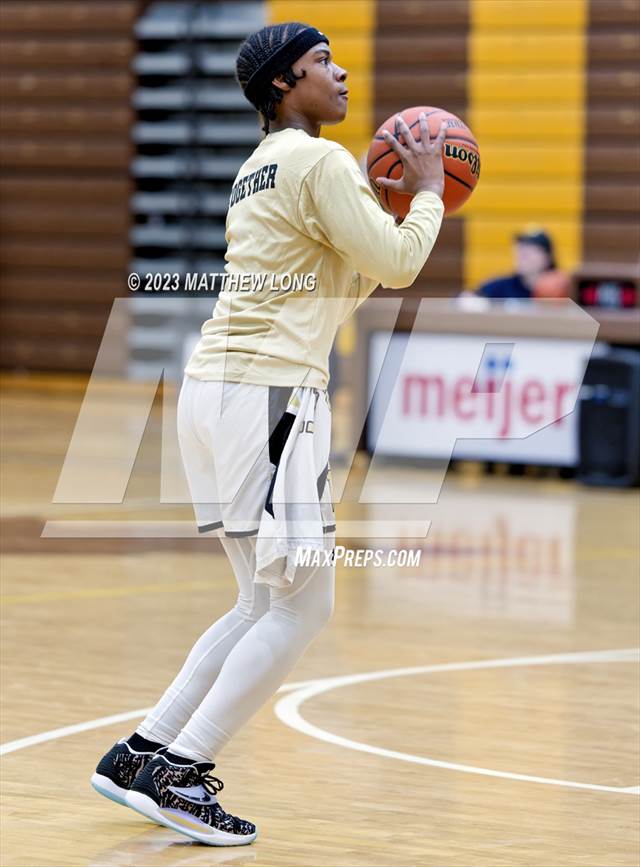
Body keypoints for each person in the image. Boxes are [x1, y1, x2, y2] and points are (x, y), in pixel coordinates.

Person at [91, 21, 445, 847]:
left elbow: (339, 288)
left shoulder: (259, 169)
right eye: (324, 63)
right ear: (285, 84)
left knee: (260, 598)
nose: (344, 71)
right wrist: (427, 192)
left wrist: (372, 208)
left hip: (214, 391)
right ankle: (181, 770)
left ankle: (142, 751)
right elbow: (396, 267)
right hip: (270, 395)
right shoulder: (317, 161)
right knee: (304, 604)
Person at [476, 229, 556, 299]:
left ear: (547, 257)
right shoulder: (499, 288)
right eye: (521, 248)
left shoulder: (562, 288)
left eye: (531, 249)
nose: (523, 254)